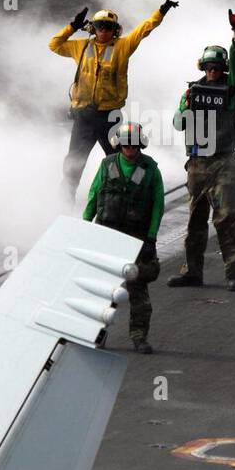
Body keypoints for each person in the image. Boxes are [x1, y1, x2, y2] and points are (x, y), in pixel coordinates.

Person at [49, 0, 178, 197]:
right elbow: (54, 45)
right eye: (100, 25)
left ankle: (121, 204)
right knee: (72, 168)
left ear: (114, 30)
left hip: (109, 118)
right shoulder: (81, 46)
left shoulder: (122, 47)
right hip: (83, 117)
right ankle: (63, 207)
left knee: (119, 165)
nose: (103, 30)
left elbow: (145, 29)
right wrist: (72, 26)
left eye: (108, 27)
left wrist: (161, 11)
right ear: (93, 27)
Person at [169, 9, 235, 292]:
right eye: (208, 67)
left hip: (223, 160)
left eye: (217, 68)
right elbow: (177, 124)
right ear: (202, 67)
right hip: (198, 161)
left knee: (226, 219)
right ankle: (192, 271)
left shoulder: (231, 90)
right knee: (195, 221)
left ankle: (233, 274)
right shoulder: (192, 91)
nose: (212, 72)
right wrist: (187, 106)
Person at [83, 121, 164, 353]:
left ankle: (139, 337)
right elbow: (94, 195)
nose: (130, 150)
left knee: (138, 290)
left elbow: (158, 204)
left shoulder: (150, 170)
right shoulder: (107, 165)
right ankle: (97, 337)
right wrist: (85, 226)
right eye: (126, 146)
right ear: (119, 146)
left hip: (137, 239)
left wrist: (151, 238)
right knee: (102, 291)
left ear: (140, 147)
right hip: (108, 237)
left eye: (134, 146)